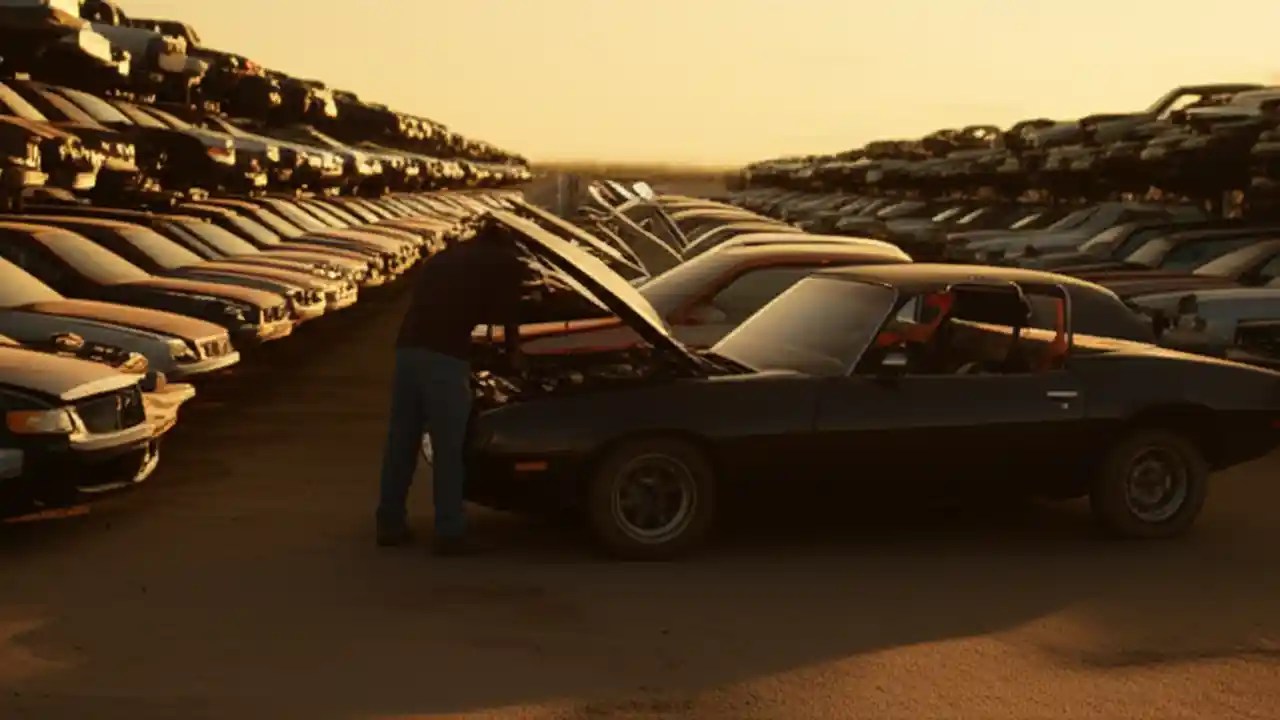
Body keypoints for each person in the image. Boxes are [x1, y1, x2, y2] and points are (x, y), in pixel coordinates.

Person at [375, 217, 537, 555]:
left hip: (408, 350)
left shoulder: (448, 256)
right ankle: (449, 531)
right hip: (444, 356)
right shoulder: (504, 261)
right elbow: (510, 316)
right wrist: (514, 356)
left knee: (401, 441)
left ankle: (389, 524)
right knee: (449, 448)